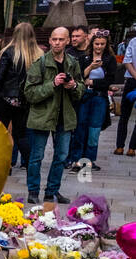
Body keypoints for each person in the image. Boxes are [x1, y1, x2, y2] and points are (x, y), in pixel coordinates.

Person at [24, 26, 83, 205]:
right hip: (42, 116)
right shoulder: (39, 63)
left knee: (61, 156)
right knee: (36, 156)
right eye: (54, 39)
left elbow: (81, 89)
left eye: (61, 39)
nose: (57, 43)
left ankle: (52, 191)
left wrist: (73, 86)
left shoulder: (72, 62)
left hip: (64, 117)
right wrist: (53, 84)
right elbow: (30, 93)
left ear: (67, 41)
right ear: (50, 41)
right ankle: (33, 191)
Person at [68, 30, 118, 170]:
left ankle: (89, 159)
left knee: (94, 129)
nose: (99, 47)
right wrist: (91, 67)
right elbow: (79, 77)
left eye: (102, 44)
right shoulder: (85, 58)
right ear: (92, 44)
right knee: (80, 128)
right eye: (97, 44)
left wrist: (92, 82)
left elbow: (109, 80)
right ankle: (77, 159)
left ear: (106, 44)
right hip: (84, 96)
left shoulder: (109, 59)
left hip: (99, 97)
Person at [0, 22, 37, 171]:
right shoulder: (37, 54)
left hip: (5, 97)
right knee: (21, 134)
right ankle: (31, 164)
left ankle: (4, 165)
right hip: (24, 100)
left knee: (1, 133)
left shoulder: (9, 52)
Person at [118, 29, 136, 156]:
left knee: (124, 115)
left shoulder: (133, 42)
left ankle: (120, 147)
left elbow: (127, 61)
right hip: (131, 80)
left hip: (131, 79)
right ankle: (132, 148)